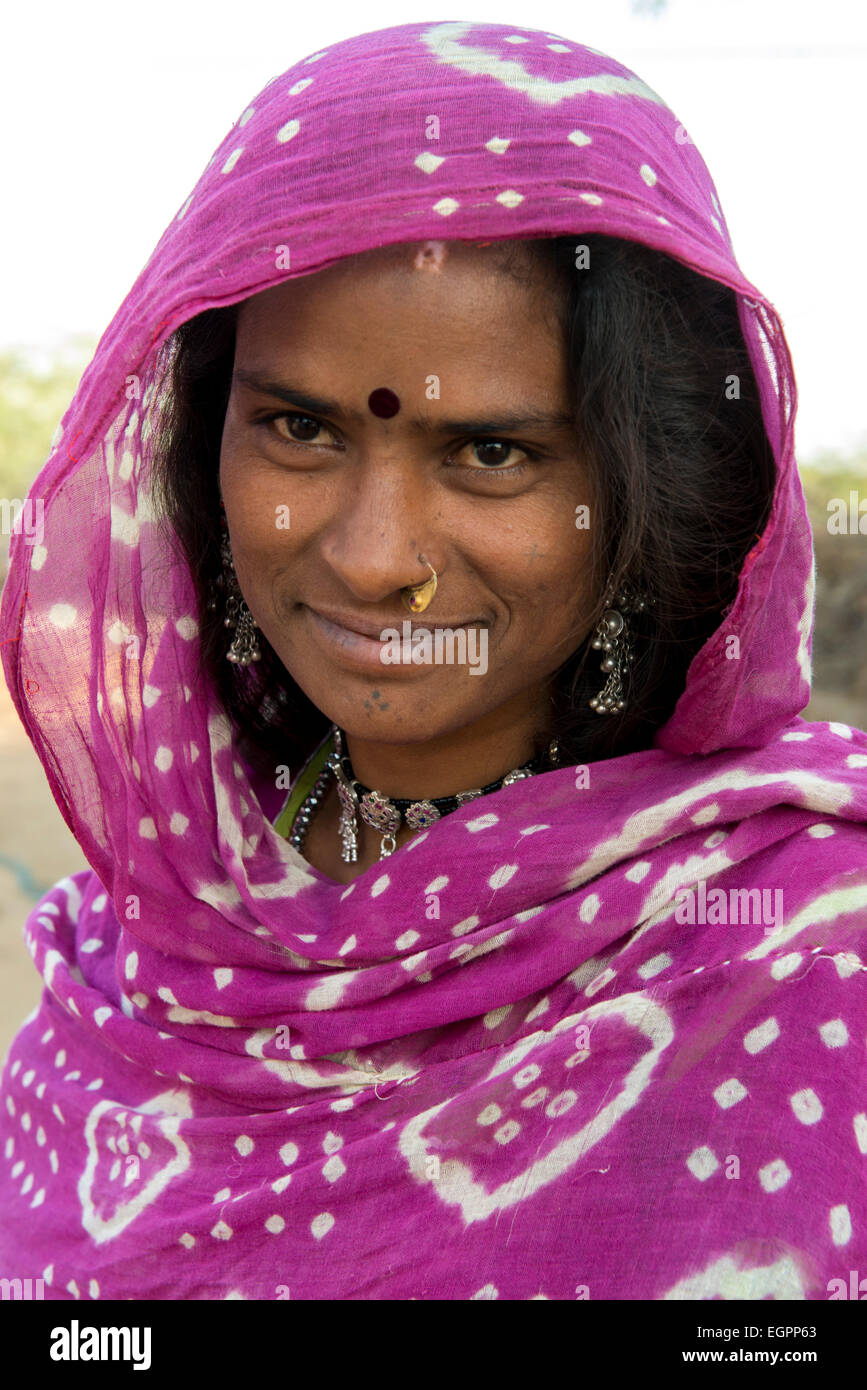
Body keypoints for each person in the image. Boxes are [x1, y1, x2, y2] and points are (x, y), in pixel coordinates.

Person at [0, 18, 865, 1302]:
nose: (372, 556)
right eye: (298, 428)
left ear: (648, 483)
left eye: (493, 452)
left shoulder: (802, 947)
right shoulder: (143, 954)